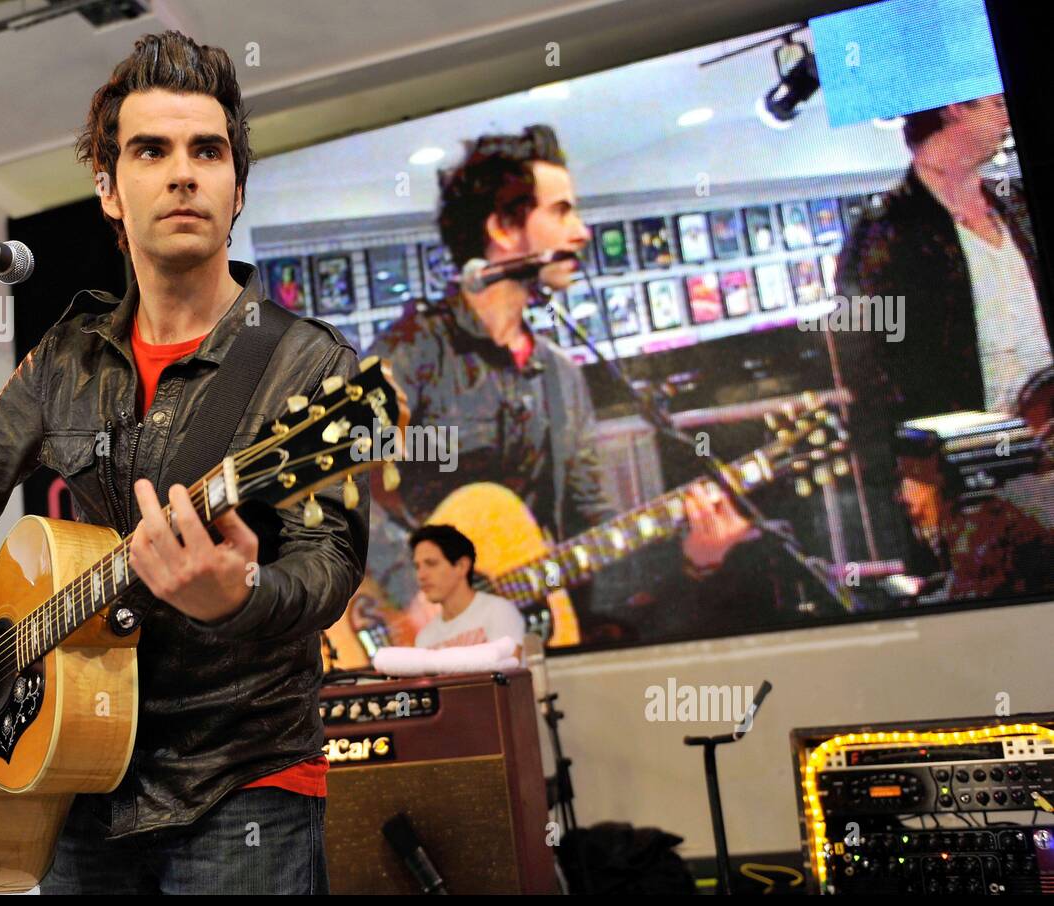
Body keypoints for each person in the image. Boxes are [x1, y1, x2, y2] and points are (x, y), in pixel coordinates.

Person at [0, 31, 368, 894]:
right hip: (74, 781)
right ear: (109, 190)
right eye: (151, 150)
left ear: (236, 188)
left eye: (207, 151)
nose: (183, 173)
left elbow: (327, 565)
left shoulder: (307, 366)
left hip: (239, 784)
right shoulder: (63, 357)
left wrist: (241, 593)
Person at [366, 125, 766, 647]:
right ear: (505, 228)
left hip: (528, 643)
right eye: (561, 212)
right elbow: (332, 481)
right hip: (413, 642)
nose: (581, 232)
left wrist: (693, 556)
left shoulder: (560, 374)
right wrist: (408, 586)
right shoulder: (413, 348)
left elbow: (593, 528)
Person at [835, 92, 1054, 569]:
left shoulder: (1014, 205)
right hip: (979, 470)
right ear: (955, 110)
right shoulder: (883, 232)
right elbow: (868, 376)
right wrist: (912, 470)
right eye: (995, 105)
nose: (1005, 117)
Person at [409, 525, 525, 659]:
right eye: (417, 567)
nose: (421, 575)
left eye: (431, 563)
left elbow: (508, 674)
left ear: (461, 566)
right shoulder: (424, 638)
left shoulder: (498, 611)